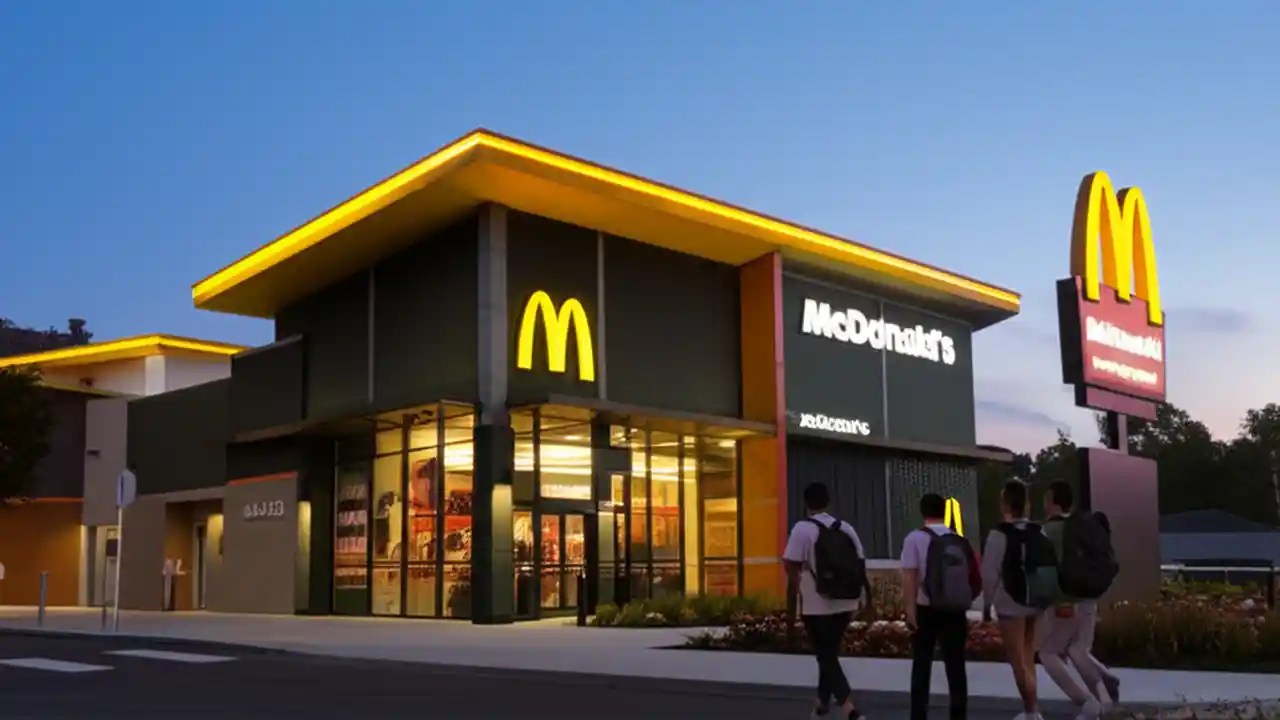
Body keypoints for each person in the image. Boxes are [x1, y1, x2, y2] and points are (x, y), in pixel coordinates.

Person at [784, 482, 869, 720]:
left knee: (826, 656)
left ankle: (849, 708)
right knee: (829, 651)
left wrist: (796, 595)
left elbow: (790, 564)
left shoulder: (802, 529)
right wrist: (863, 599)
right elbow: (860, 563)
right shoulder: (847, 528)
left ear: (805, 504)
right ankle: (821, 705)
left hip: (815, 603)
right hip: (846, 603)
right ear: (828, 502)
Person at [901, 493, 981, 720]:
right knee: (956, 666)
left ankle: (919, 714)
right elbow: (974, 577)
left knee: (922, 665)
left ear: (923, 512)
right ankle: (958, 715)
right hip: (955, 610)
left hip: (927, 608)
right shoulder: (959, 539)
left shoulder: (914, 538)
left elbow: (910, 578)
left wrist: (910, 612)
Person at [1039, 481, 1109, 719]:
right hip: (1090, 595)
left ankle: (1086, 700)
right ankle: (1104, 694)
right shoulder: (1084, 526)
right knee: (1079, 649)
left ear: (1052, 501)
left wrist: (1052, 600)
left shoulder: (1050, 530)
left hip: (1065, 599)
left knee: (1048, 654)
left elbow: (1047, 569)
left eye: (1046, 500)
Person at [981, 480, 1047, 720]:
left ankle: (1032, 712)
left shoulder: (999, 534)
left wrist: (987, 604)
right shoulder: (1039, 531)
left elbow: (989, 573)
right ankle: (1032, 708)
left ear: (1005, 503)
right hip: (1035, 600)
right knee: (1028, 656)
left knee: (1017, 660)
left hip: (1010, 601)